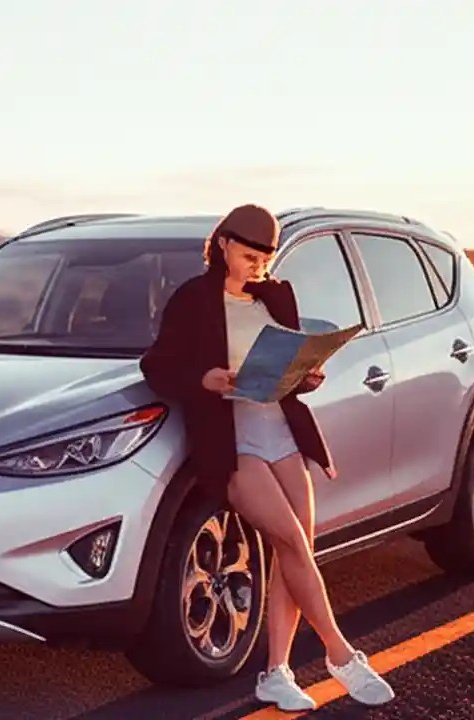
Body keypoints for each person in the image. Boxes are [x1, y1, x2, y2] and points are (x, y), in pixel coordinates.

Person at [138, 204, 394, 710]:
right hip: (233, 442)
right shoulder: (193, 300)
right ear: (225, 245)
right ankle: (340, 654)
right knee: (293, 541)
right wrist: (203, 380)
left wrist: (307, 375)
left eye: (266, 258)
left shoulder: (275, 297)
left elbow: (285, 360)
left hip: (282, 431)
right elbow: (156, 366)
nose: (259, 266)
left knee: (294, 551)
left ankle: (276, 673)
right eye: (251, 256)